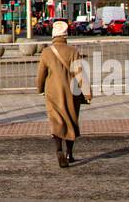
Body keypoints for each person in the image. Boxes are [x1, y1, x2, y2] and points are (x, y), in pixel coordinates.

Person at [36, 20, 91, 167]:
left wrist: (40, 88)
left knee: (57, 122)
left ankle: (59, 150)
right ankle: (70, 154)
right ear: (65, 36)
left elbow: (41, 74)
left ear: (53, 36)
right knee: (71, 121)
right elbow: (80, 73)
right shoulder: (73, 51)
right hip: (72, 93)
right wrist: (87, 92)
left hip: (53, 93)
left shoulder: (47, 52)